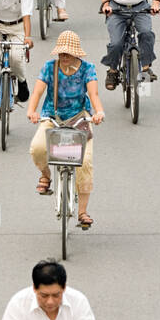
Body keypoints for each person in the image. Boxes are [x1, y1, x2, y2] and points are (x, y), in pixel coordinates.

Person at [27, 32, 104, 227]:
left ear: (76, 54)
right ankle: (45, 175)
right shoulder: (49, 67)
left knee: (84, 162)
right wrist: (32, 111)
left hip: (79, 119)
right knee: (37, 148)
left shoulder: (88, 69)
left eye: (67, 54)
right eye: (61, 53)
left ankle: (83, 212)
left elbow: (93, 94)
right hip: (53, 117)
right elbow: (37, 91)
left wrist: (98, 112)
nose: (64, 57)